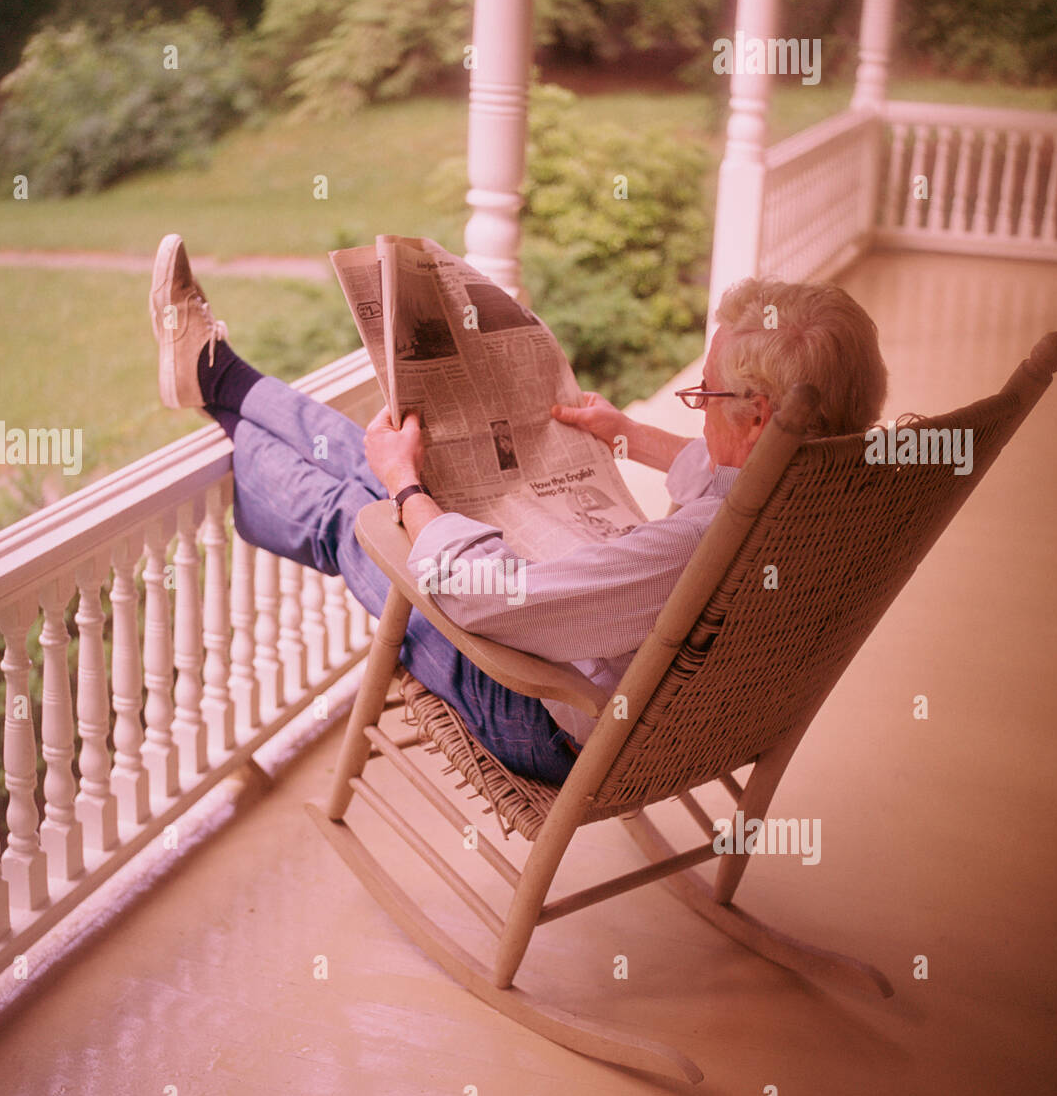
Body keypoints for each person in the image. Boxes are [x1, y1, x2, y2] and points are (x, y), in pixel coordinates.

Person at [150, 234, 888, 786]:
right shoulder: (832, 499)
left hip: (549, 720)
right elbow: (716, 472)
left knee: (358, 514)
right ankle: (217, 380)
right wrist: (625, 434)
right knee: (396, 465)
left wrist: (407, 491)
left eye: (706, 395)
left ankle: (221, 387)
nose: (697, 411)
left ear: (758, 417)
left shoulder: (703, 549)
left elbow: (483, 599)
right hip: (691, 718)